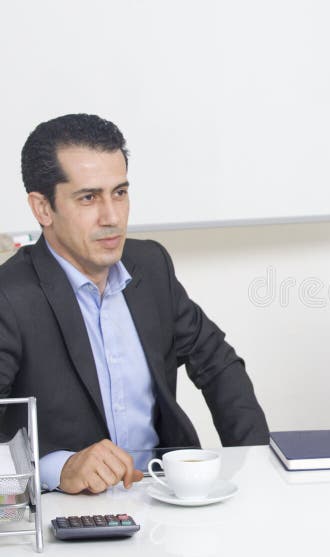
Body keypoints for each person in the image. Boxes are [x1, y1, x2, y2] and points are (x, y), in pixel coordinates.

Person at [0, 114, 269, 494]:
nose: (112, 217)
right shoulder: (9, 297)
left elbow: (218, 364)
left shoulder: (151, 266)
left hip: (162, 494)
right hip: (66, 508)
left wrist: (254, 465)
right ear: (43, 208)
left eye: (120, 193)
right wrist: (57, 469)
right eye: (89, 198)